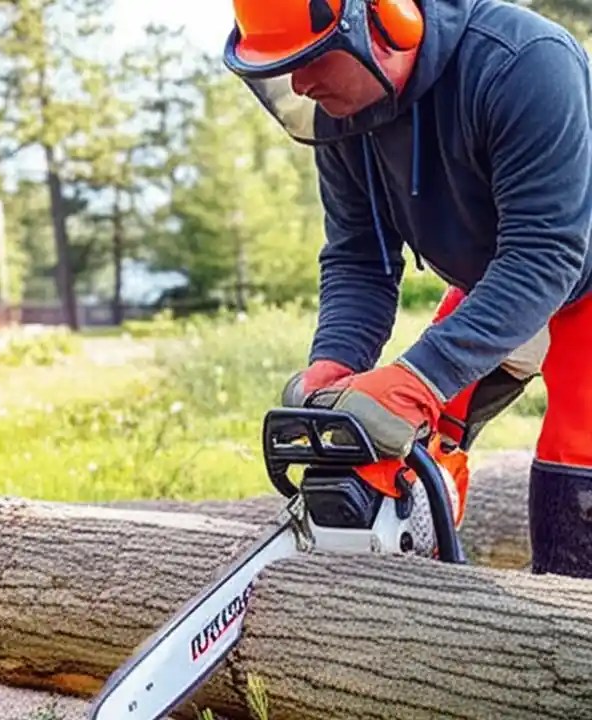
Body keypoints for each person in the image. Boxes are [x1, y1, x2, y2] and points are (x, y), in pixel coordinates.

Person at [223, 0, 592, 577]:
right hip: (495, 284)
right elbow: (359, 256)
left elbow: (546, 253)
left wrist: (422, 377)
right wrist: (335, 363)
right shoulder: (344, 112)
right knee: (397, 437)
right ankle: (412, 596)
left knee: (578, 470)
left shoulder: (522, 64)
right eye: (284, 64)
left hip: (569, 276)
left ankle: (566, 631)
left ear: (387, 22)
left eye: (314, 57)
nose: (299, 81)